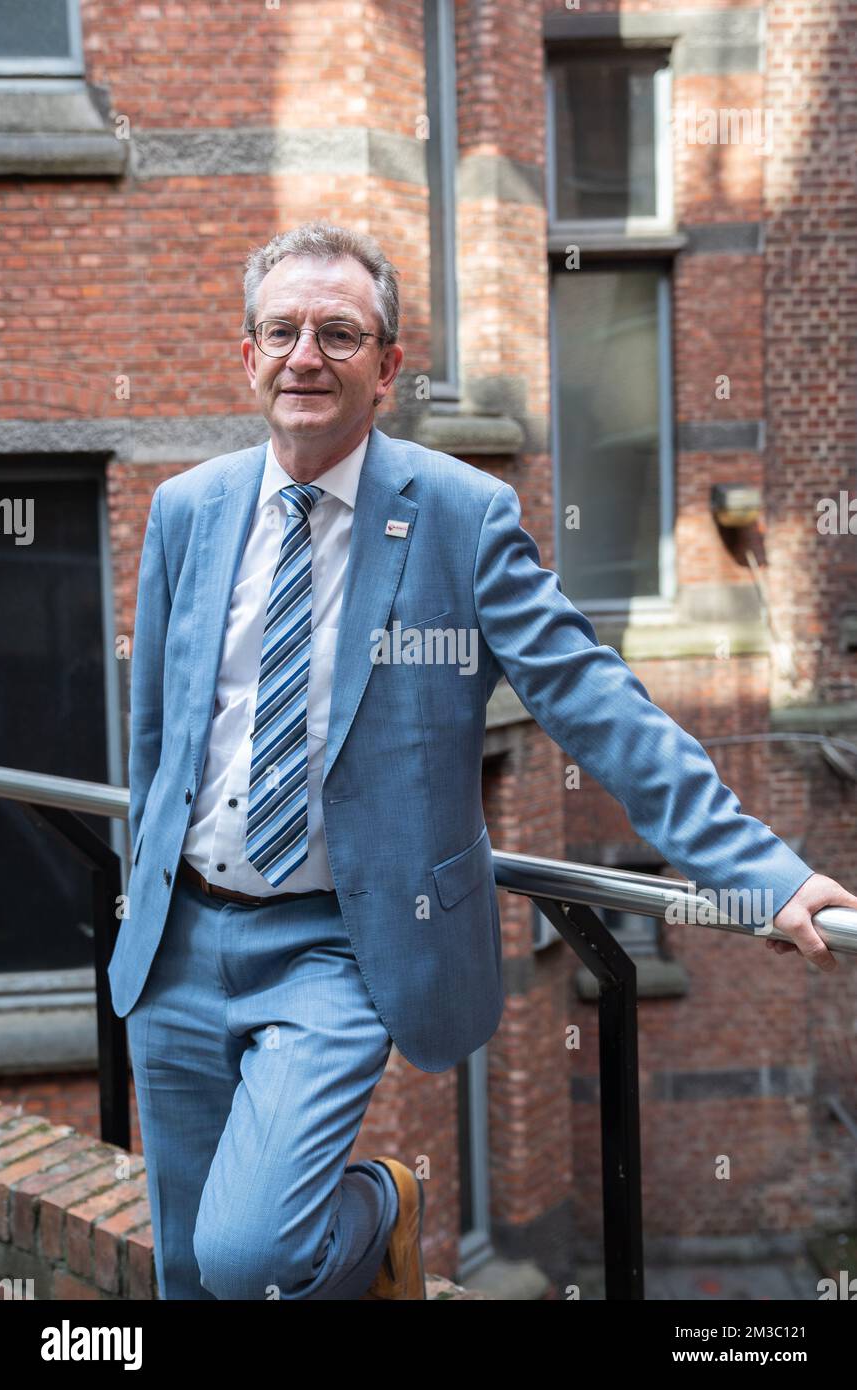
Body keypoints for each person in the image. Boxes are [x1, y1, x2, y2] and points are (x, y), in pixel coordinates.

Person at [109, 220, 857, 1300]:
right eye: (280, 331)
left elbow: (592, 702)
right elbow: (159, 735)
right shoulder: (187, 511)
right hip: (179, 935)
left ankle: (386, 1202)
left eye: (338, 333)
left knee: (251, 1256)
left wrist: (758, 872)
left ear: (388, 367)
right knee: (184, 1269)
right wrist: (143, 898)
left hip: (338, 942)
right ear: (247, 355)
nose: (304, 356)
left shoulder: (459, 516)